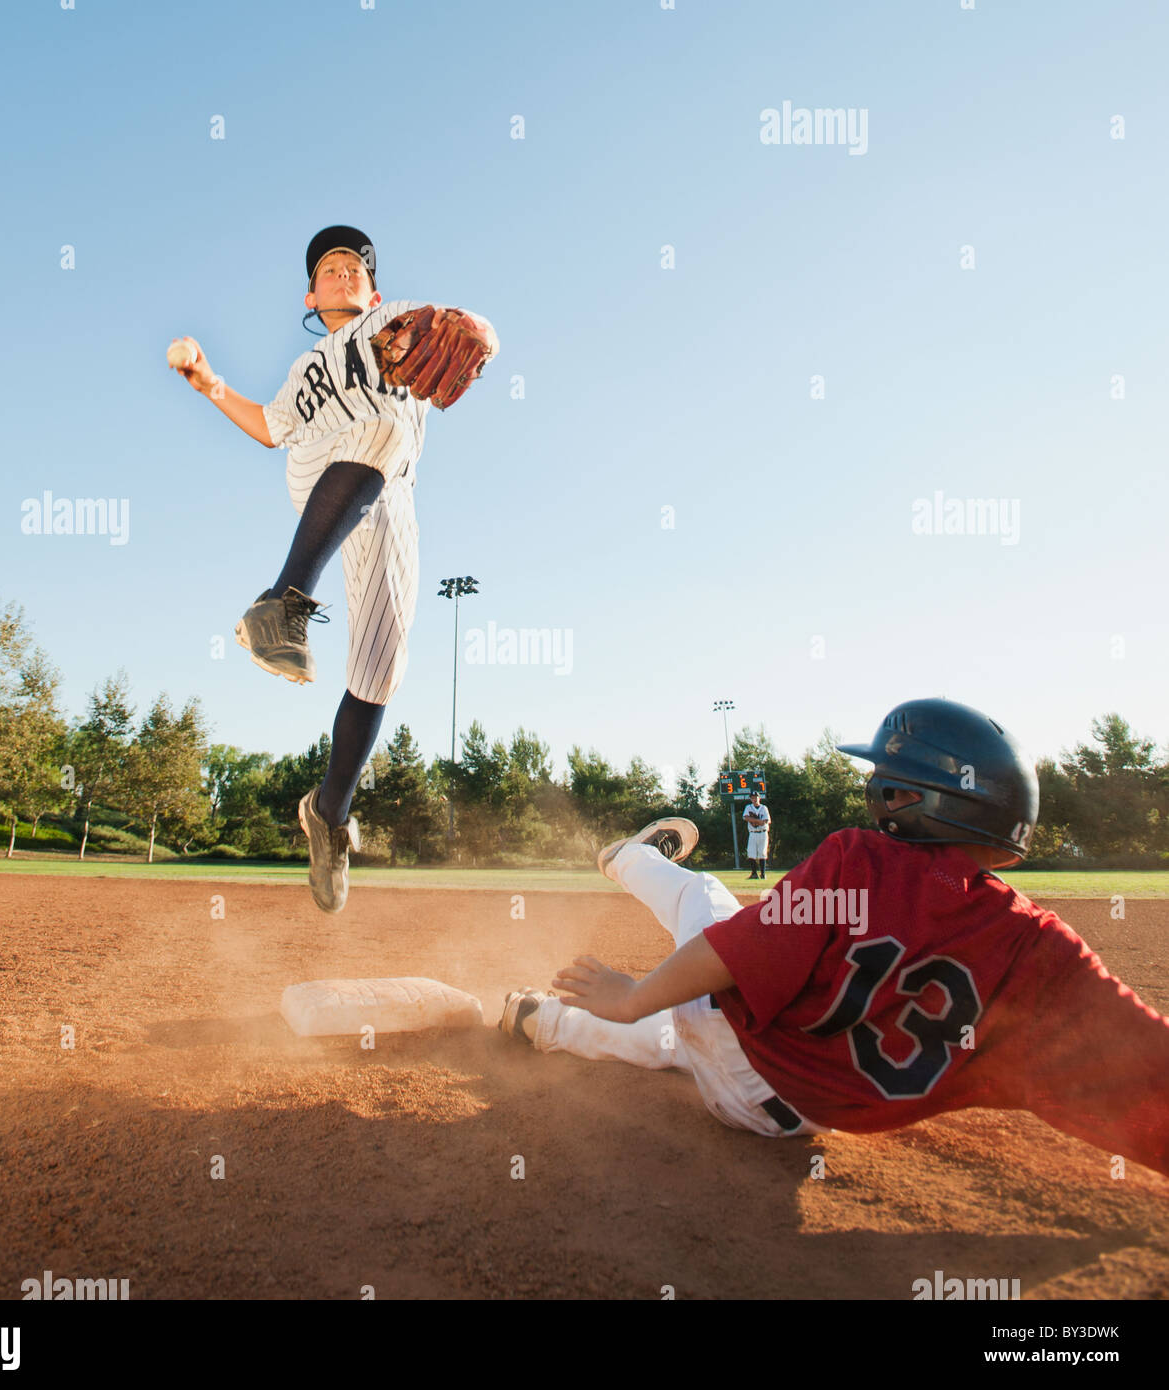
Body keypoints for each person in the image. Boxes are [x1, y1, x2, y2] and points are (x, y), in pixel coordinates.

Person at [498, 698, 1169, 1177]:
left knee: (701, 905)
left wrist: (631, 993)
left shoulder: (861, 860)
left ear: (914, 800)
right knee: (691, 1038)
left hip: (743, 1065)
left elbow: (729, 952)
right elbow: (1145, 1066)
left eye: (888, 783)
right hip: (794, 1118)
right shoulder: (1041, 949)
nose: (877, 790)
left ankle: (623, 857)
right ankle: (541, 1021)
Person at [170, 225, 497, 913]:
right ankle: (284, 604)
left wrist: (479, 331)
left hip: (389, 505)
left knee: (381, 671)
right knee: (377, 429)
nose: (344, 270)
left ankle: (329, 814)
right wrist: (207, 382)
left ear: (373, 289)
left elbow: (465, 330)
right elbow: (267, 427)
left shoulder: (392, 321)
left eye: (355, 265)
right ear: (311, 296)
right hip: (320, 472)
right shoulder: (305, 369)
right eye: (330, 266)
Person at [743, 789, 770, 879]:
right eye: (752, 798)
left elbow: (766, 821)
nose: (754, 799)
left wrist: (754, 820)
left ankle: (763, 874)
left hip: (763, 833)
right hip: (753, 833)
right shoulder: (748, 807)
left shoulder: (764, 808)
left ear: (759, 798)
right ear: (751, 799)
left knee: (762, 853)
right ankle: (754, 874)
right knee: (751, 853)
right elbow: (746, 818)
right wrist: (758, 821)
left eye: (756, 797)